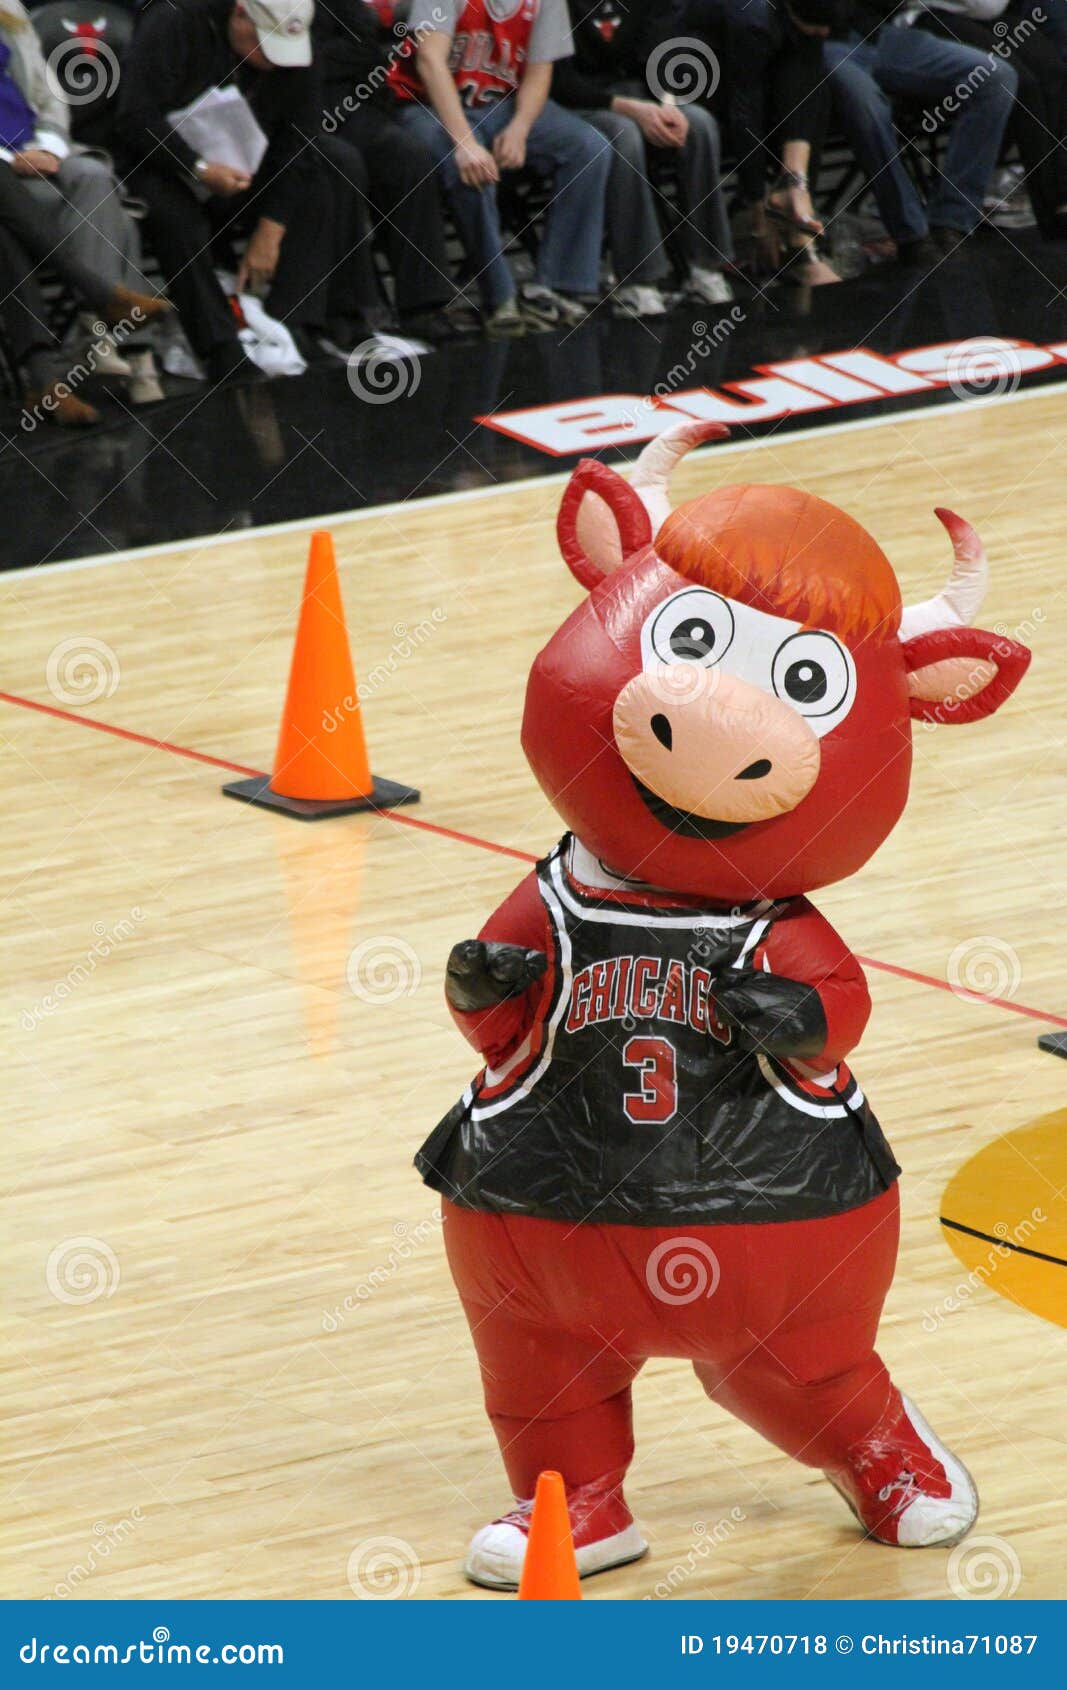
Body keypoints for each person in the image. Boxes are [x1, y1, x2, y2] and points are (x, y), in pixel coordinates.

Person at [115, 0, 374, 382]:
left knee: (326, 170)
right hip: (162, 159)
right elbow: (135, 118)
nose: (275, 62)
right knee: (174, 215)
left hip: (245, 157)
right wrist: (197, 167)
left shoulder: (299, 46)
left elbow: (298, 140)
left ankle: (294, 324)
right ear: (239, 14)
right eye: (265, 46)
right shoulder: (174, 20)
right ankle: (221, 349)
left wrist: (272, 227)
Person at [389, 0, 612, 337]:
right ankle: (500, 298)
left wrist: (520, 129)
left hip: (501, 104)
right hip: (429, 105)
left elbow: (540, 73)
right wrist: (465, 144)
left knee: (589, 147)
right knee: (472, 168)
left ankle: (554, 289)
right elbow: (430, 61)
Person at [0, 0, 164, 400]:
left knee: (93, 174)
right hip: (6, 171)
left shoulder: (8, 9)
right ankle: (115, 332)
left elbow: (47, 86)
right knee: (117, 219)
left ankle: (97, 330)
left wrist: (52, 146)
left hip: (38, 146)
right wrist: (8, 157)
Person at [551, 0, 734, 317]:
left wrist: (667, 103)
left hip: (637, 92)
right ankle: (638, 279)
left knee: (698, 125)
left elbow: (660, 50)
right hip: (579, 103)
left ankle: (705, 266)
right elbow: (560, 83)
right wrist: (629, 108)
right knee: (625, 135)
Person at [315, 0, 477, 339]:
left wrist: (308, 57)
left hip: (346, 103)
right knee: (342, 164)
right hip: (285, 110)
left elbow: (366, 46)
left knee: (407, 155)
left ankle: (424, 305)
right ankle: (356, 308)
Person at [821, 0, 1018, 260]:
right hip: (824, 41)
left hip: (878, 33)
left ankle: (952, 219)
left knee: (995, 77)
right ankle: (910, 232)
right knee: (869, 107)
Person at [685, 0, 841, 285]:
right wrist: (759, 217)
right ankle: (795, 237)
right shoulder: (752, 17)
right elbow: (745, 113)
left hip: (769, 67)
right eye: (817, 26)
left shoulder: (804, 27)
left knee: (816, 84)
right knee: (798, 64)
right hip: (700, 72)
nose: (824, 32)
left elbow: (808, 63)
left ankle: (795, 197)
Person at [916, 0, 1067, 237]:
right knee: (1023, 85)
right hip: (933, 16)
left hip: (987, 14)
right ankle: (1052, 211)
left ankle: (1062, 196)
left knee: (1054, 73)